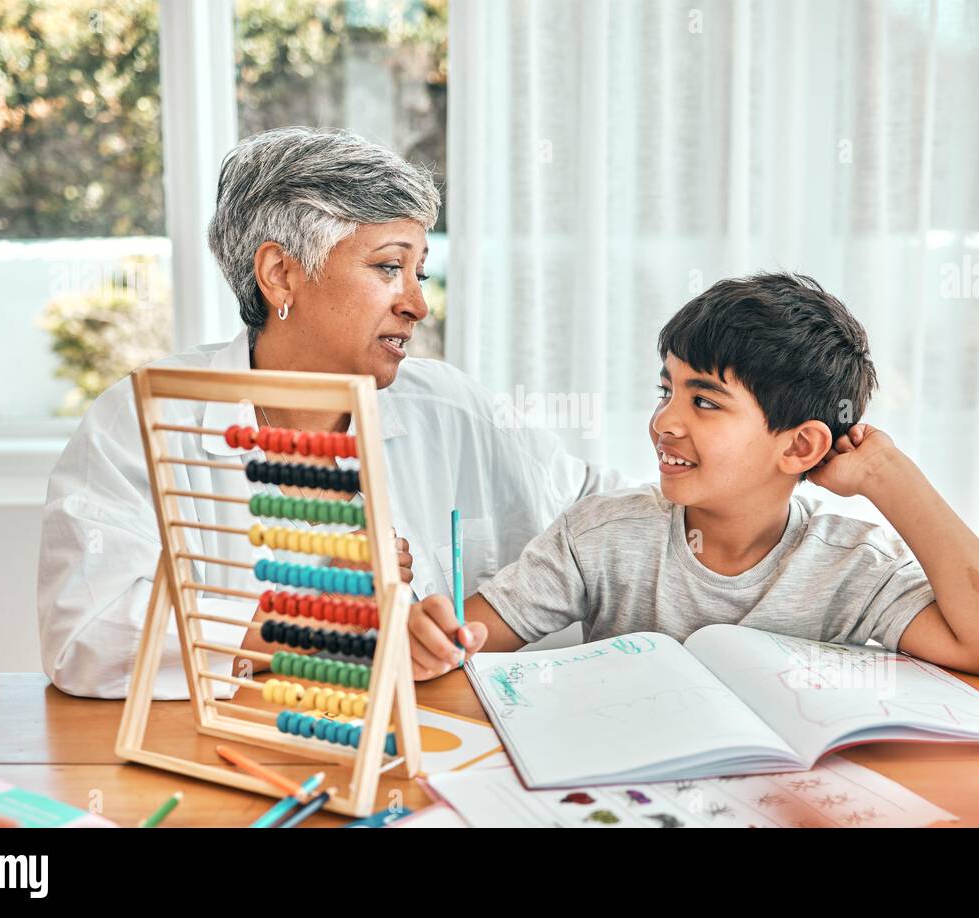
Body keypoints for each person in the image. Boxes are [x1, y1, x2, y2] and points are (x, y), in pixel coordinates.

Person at [37, 127, 628, 699]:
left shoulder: (451, 408)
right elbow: (85, 639)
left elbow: (607, 516)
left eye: (419, 272)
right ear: (280, 274)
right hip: (224, 768)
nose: (418, 304)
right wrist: (314, 624)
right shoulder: (144, 420)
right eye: (388, 267)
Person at [407, 272, 979, 680]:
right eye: (667, 390)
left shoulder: (850, 565)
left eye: (704, 401)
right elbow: (465, 644)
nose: (665, 421)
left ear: (800, 446)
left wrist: (889, 475)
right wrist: (434, 640)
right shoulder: (598, 537)